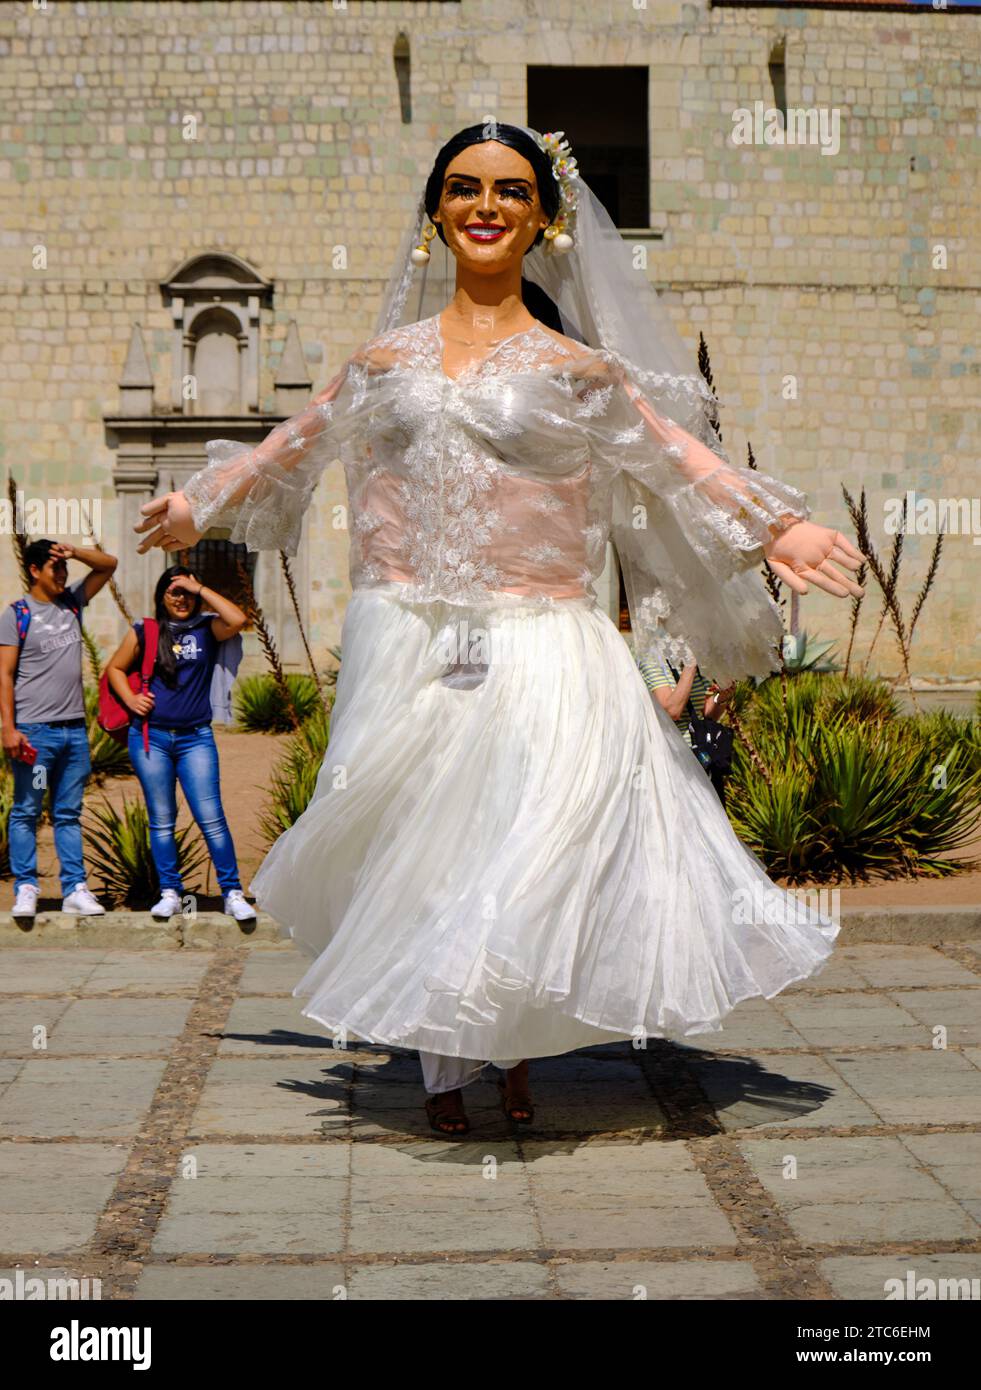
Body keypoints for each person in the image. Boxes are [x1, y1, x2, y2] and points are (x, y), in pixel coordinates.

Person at [133, 123, 864, 1136]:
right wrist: (199, 505)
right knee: (425, 849)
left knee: (531, 844)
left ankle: (510, 1042)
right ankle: (447, 1057)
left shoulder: (578, 371)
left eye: (511, 191)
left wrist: (778, 524)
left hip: (543, 639)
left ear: (541, 215)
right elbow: (293, 442)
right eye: (466, 188)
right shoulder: (383, 362)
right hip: (408, 639)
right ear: (436, 211)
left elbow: (672, 457)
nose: (487, 205)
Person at [105, 565, 255, 924]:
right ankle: (170, 893)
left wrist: (200, 587)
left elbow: (237, 619)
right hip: (151, 738)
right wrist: (130, 700)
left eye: (186, 592)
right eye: (175, 592)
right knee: (161, 820)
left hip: (195, 739)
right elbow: (114, 668)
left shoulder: (207, 628)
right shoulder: (146, 630)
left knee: (211, 818)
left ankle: (232, 892)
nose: (182, 598)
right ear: (161, 597)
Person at [0, 538, 118, 922]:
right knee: (28, 810)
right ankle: (26, 888)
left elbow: (109, 565)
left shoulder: (72, 603)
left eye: (64, 568)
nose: (63, 574)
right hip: (37, 736)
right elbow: (4, 674)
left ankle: (74, 889)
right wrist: (9, 728)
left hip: (73, 735)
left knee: (68, 812)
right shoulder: (17, 613)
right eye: (55, 567)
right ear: (35, 570)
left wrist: (74, 552)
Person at [636, 652, 735, 806]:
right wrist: (690, 666)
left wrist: (721, 697)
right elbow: (672, 711)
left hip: (701, 763)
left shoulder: (691, 662)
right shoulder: (652, 660)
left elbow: (706, 714)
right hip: (674, 765)